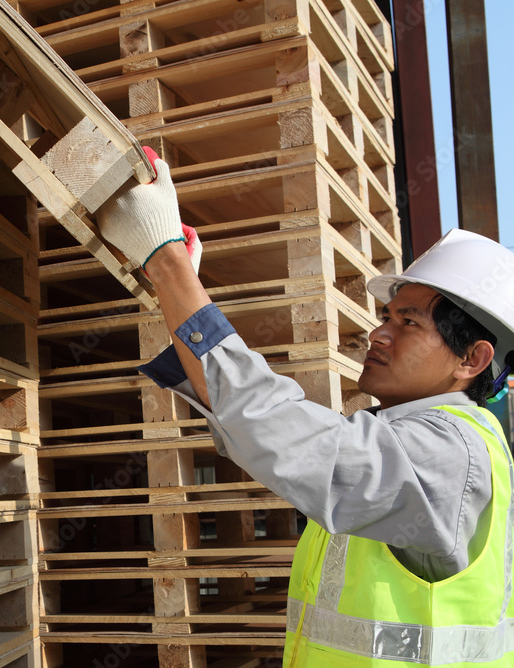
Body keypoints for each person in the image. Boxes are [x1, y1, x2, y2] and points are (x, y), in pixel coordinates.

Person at [96, 148, 514, 666]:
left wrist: (169, 264)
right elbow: (265, 428)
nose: (377, 333)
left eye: (408, 323)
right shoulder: (418, 441)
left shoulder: (454, 452)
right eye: (386, 316)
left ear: (472, 359)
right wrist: (174, 288)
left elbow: (284, 432)